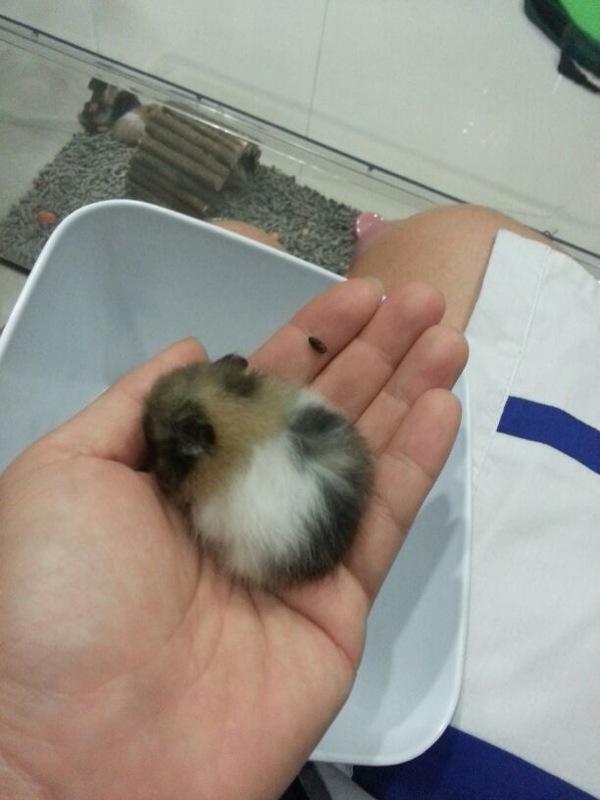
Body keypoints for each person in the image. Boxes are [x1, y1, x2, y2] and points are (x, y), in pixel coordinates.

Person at [0, 273, 467, 799]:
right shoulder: (269, 403)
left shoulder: (214, 481)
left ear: (193, 445)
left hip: (294, 535)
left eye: (160, 452)